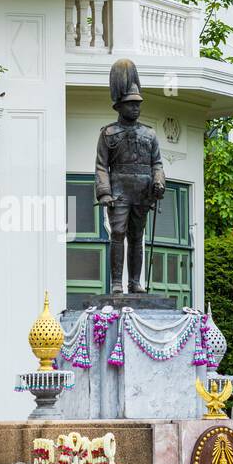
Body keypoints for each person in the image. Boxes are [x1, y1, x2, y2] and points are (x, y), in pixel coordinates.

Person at [94, 59, 165, 293]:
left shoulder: (150, 134)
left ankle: (135, 283)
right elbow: (102, 165)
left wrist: (159, 182)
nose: (136, 108)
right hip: (119, 190)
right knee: (118, 234)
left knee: (137, 236)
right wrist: (104, 192)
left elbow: (157, 163)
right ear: (119, 107)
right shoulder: (108, 133)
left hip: (143, 192)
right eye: (131, 104)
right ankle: (116, 282)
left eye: (138, 104)